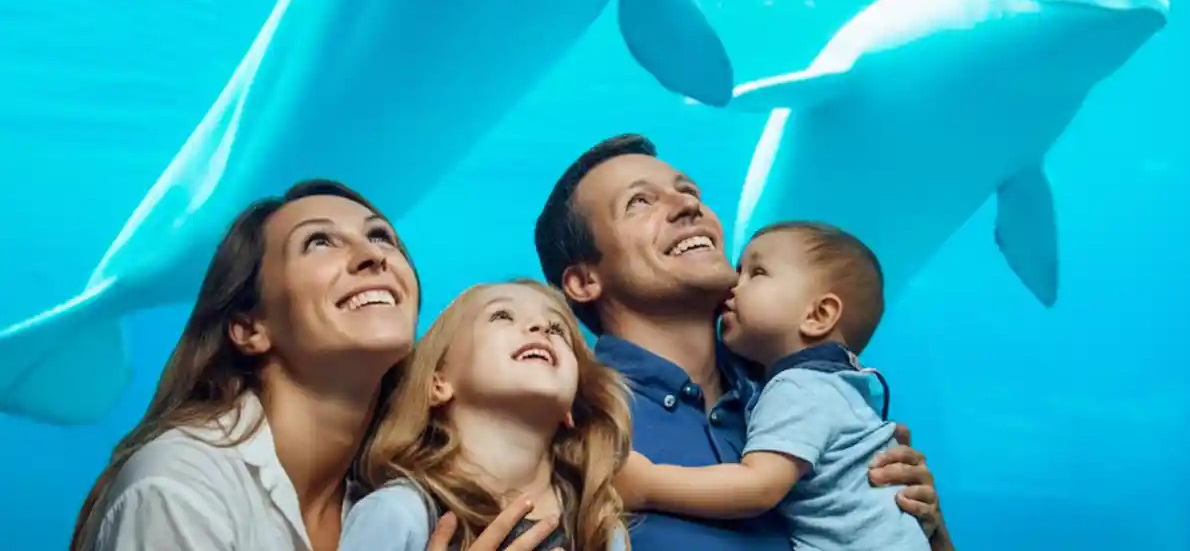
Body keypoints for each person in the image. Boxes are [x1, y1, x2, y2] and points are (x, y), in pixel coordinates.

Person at [533, 134, 954, 551]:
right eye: (639, 202)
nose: (688, 205)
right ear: (584, 281)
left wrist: (924, 530)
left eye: (689, 191)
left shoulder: (804, 392)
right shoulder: (565, 418)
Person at [70, 180, 422, 551]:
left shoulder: (387, 511)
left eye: (382, 236)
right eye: (318, 242)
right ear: (249, 327)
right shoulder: (177, 487)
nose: (373, 254)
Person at [619, 220, 930, 551]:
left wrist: (647, 484)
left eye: (757, 273)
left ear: (818, 315)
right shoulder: (843, 386)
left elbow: (759, 486)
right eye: (739, 271)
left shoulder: (799, 387)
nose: (733, 287)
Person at [336, 279, 633, 551]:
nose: (541, 326)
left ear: (571, 406)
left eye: (558, 329)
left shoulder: (600, 530)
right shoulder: (398, 513)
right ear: (437, 383)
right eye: (502, 315)